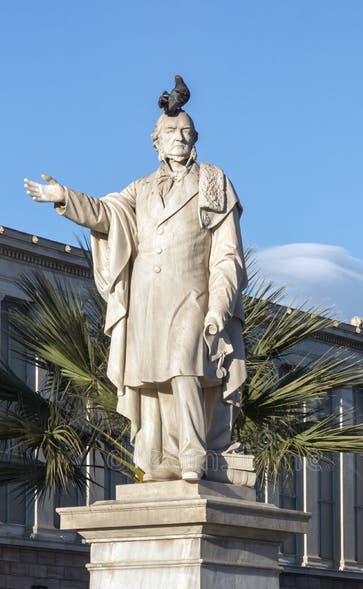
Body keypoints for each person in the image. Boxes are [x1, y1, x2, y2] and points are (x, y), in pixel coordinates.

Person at [24, 80, 246, 483]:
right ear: (155, 143)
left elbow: (227, 253)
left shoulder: (213, 181)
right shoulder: (140, 189)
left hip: (192, 294)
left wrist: (220, 305)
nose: (178, 139)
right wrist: (63, 196)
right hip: (147, 298)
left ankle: (193, 452)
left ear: (195, 140)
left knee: (185, 365)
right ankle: (161, 457)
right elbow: (105, 214)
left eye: (185, 133)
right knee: (152, 376)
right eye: (169, 134)